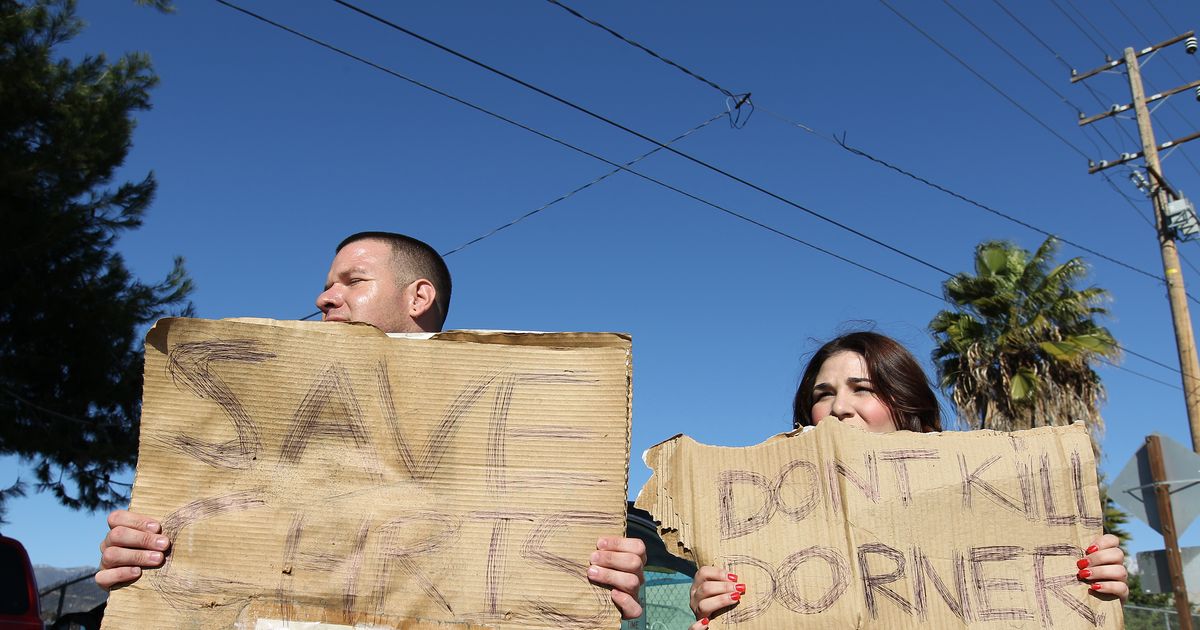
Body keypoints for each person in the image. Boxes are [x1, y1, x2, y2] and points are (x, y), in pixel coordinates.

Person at [95, 231, 647, 619]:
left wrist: (602, 577)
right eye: (328, 284)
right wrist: (146, 556)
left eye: (352, 281)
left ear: (419, 296)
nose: (323, 298)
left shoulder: (515, 429)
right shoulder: (263, 412)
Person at [687, 331, 1128, 628]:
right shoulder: (762, 534)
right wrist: (718, 610)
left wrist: (1090, 584)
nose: (840, 407)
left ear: (907, 406)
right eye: (824, 395)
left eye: (863, 389)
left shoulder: (990, 510)